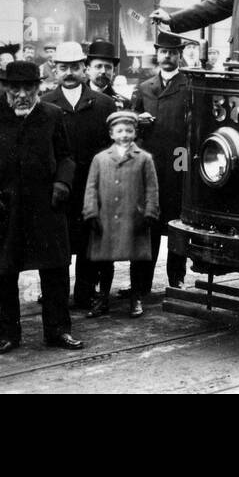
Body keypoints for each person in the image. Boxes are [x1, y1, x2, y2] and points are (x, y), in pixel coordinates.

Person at [0, 61, 82, 354]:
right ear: (5, 88)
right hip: (5, 210)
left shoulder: (52, 115)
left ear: (39, 88)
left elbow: (66, 157)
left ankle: (58, 331)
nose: (23, 95)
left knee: (55, 272)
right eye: (16, 89)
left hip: (47, 208)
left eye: (29, 88)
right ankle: (7, 334)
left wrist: (62, 185)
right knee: (6, 274)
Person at [42, 41, 113, 310]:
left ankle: (84, 294)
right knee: (59, 242)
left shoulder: (104, 104)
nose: (69, 73)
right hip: (58, 186)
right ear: (54, 69)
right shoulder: (46, 104)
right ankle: (57, 296)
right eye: (63, 68)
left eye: (74, 67)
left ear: (84, 68)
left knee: (88, 242)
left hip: (92, 185)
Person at [127, 31, 191, 298]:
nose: (168, 56)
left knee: (177, 224)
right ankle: (140, 286)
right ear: (158, 53)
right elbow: (129, 127)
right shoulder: (144, 88)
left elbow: (192, 129)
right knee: (147, 225)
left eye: (173, 52)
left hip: (177, 163)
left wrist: (184, 168)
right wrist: (137, 120)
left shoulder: (189, 85)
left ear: (179, 55)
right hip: (150, 166)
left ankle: (176, 280)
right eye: (163, 51)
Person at [82, 110, 160, 318]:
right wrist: (91, 213)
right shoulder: (100, 159)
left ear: (135, 133)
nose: (124, 134)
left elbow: (152, 189)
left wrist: (150, 213)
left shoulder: (144, 159)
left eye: (129, 130)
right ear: (111, 134)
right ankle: (103, 298)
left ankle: (136, 298)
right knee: (105, 261)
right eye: (119, 131)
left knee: (137, 261)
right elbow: (91, 187)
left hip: (134, 217)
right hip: (106, 217)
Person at [84, 38, 127, 110]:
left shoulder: (123, 103)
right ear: (88, 70)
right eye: (98, 66)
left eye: (108, 67)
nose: (103, 71)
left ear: (113, 72)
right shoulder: (75, 99)